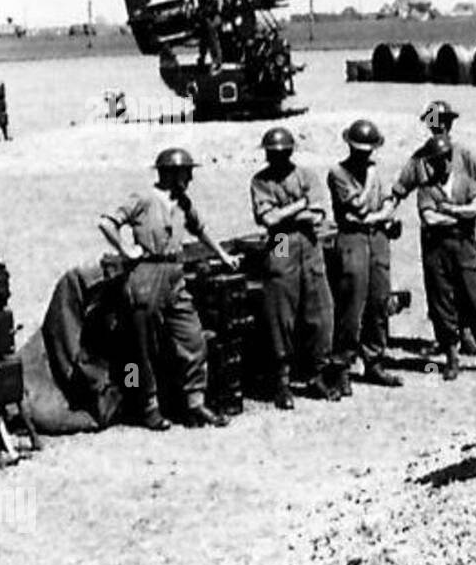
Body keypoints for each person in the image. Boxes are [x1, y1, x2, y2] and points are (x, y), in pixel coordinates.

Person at [96, 147, 235, 430]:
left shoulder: (183, 202)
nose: (191, 178)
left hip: (175, 275)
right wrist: (125, 250)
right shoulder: (144, 199)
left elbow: (201, 229)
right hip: (146, 275)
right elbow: (107, 223)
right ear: (171, 173)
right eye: (187, 173)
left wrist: (223, 256)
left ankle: (195, 403)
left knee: (193, 337)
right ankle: (148, 407)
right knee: (143, 347)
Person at [250, 126, 339, 408]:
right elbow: (269, 221)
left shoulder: (307, 175)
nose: (277, 157)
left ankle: (316, 375)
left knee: (320, 311)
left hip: (308, 244)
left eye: (282, 153)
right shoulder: (260, 181)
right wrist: (300, 205)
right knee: (281, 312)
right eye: (272, 153)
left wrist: (288, 212)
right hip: (281, 244)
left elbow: (317, 214)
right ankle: (282, 381)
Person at [413, 133, 476, 381]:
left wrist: (453, 211)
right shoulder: (426, 188)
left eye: (444, 158)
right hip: (437, 252)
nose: (440, 164)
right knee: (442, 303)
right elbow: (429, 218)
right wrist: (461, 217)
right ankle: (451, 356)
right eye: (435, 160)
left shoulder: (466, 182)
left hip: (465, 249)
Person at [389, 99, 476, 356]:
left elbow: (475, 192)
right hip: (434, 237)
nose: (439, 128)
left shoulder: (464, 155)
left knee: (466, 285)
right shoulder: (420, 158)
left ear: (450, 124)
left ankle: (467, 334)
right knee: (439, 289)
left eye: (444, 123)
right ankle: (447, 339)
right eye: (435, 123)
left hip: (463, 234)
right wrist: (386, 213)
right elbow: (400, 188)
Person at [327, 118, 402, 395]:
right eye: (361, 150)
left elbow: (387, 205)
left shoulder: (376, 173)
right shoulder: (338, 173)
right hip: (353, 239)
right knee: (351, 303)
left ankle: (374, 360)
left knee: (378, 300)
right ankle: (342, 365)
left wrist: (378, 215)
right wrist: (370, 183)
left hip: (377, 239)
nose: (365, 155)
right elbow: (355, 208)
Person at [196, 0, 226, 72]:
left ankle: (217, 62)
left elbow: (217, 9)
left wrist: (205, 11)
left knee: (212, 40)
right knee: (203, 41)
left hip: (214, 18)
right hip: (207, 19)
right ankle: (202, 58)